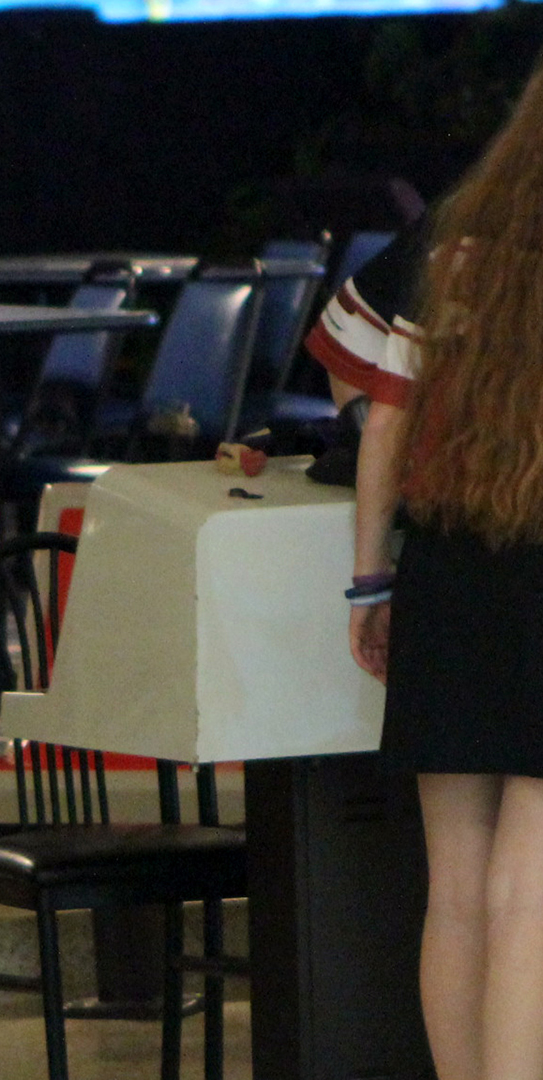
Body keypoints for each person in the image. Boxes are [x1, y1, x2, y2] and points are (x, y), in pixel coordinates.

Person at [340, 54, 543, 1080]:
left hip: (449, 575)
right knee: (530, 894)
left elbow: (381, 420)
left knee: (458, 888)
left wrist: (371, 581)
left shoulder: (456, 247)